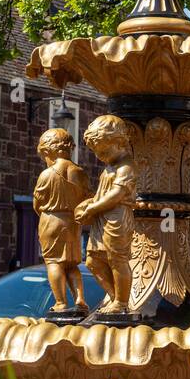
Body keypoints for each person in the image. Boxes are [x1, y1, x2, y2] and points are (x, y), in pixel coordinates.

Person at [75, 114, 137, 314]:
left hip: (117, 218)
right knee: (93, 261)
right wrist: (89, 203)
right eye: (96, 152)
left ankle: (122, 302)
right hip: (102, 218)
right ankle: (114, 298)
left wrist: (93, 208)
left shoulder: (127, 166)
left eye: (103, 151)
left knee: (117, 260)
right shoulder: (110, 167)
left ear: (119, 141)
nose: (99, 157)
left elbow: (117, 194)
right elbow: (103, 194)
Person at [33, 127, 93, 312]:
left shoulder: (47, 174)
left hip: (52, 220)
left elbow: (37, 202)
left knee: (54, 262)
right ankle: (80, 299)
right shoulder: (80, 172)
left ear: (48, 151)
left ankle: (61, 302)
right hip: (73, 222)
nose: (46, 161)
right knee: (72, 263)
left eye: (45, 156)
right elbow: (89, 196)